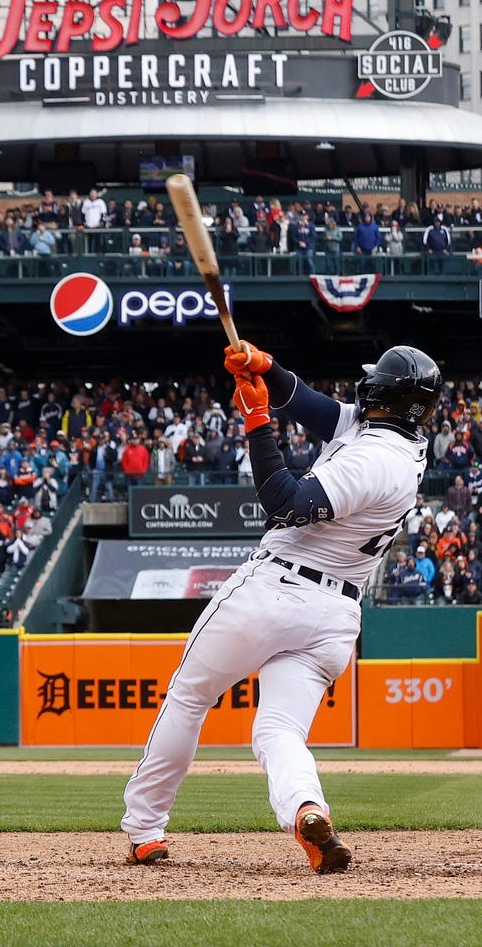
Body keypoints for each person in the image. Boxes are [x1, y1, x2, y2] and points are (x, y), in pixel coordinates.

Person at [122, 342, 439, 874]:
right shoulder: (396, 442)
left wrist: (256, 423)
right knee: (278, 731)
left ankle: (145, 830)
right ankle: (306, 808)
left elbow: (284, 503)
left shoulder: (372, 459)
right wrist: (266, 369)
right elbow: (312, 405)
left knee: (189, 695)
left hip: (275, 590)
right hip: (335, 619)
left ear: (384, 393)